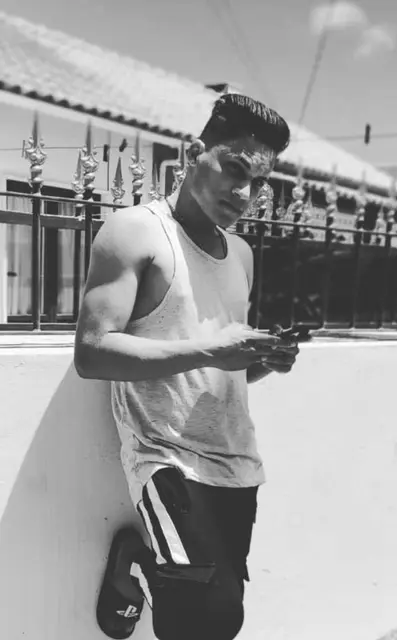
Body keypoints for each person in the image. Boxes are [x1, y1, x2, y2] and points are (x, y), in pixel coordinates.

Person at [74, 93, 299, 640]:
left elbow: (221, 368)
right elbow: (93, 352)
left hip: (237, 461)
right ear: (193, 153)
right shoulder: (136, 231)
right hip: (166, 457)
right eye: (235, 169)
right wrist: (214, 352)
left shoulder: (241, 254)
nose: (244, 193)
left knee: (222, 614)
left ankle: (139, 566)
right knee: (203, 622)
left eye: (258, 182)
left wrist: (263, 361)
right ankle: (141, 566)